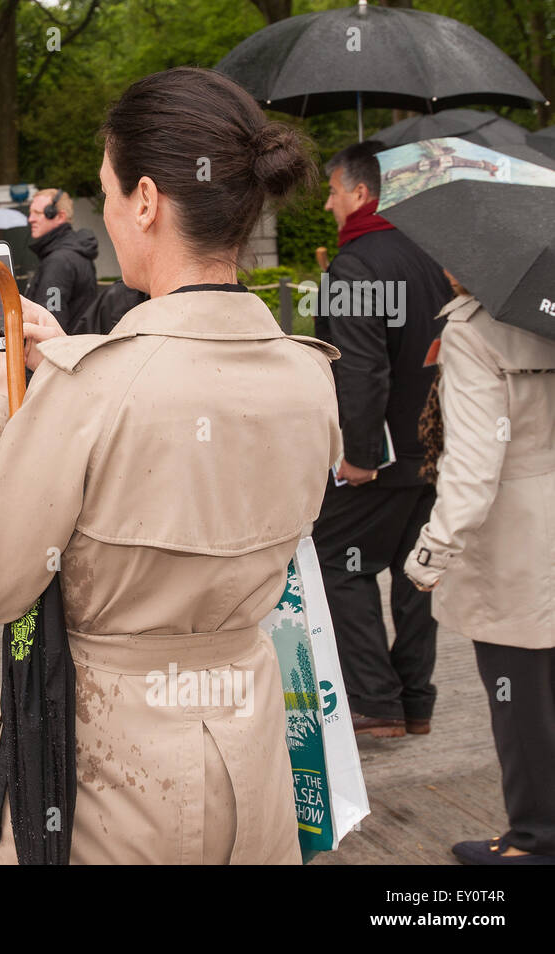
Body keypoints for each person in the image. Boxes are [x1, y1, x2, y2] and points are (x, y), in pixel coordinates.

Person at [0, 67, 341, 864]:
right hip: (250, 740)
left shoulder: (90, 387)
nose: (108, 216)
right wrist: (71, 367)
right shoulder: (310, 371)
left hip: (111, 771)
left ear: (149, 200)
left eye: (108, 193)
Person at [403, 274, 555, 865]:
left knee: (521, 701)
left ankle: (536, 841)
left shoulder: (474, 330)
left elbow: (472, 464)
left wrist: (430, 554)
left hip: (516, 541)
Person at [311, 140, 453, 738]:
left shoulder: (356, 266)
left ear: (362, 194)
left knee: (338, 563)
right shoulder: (431, 252)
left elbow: (362, 370)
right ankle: (416, 700)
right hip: (434, 448)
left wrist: (359, 456)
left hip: (382, 456)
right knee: (416, 573)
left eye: (334, 190)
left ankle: (375, 700)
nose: (327, 203)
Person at [25, 188, 100, 335]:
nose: (30, 219)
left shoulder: (58, 262)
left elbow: (51, 324)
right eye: (30, 212)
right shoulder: (74, 252)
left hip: (62, 353)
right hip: (77, 350)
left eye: (37, 213)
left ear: (59, 216)